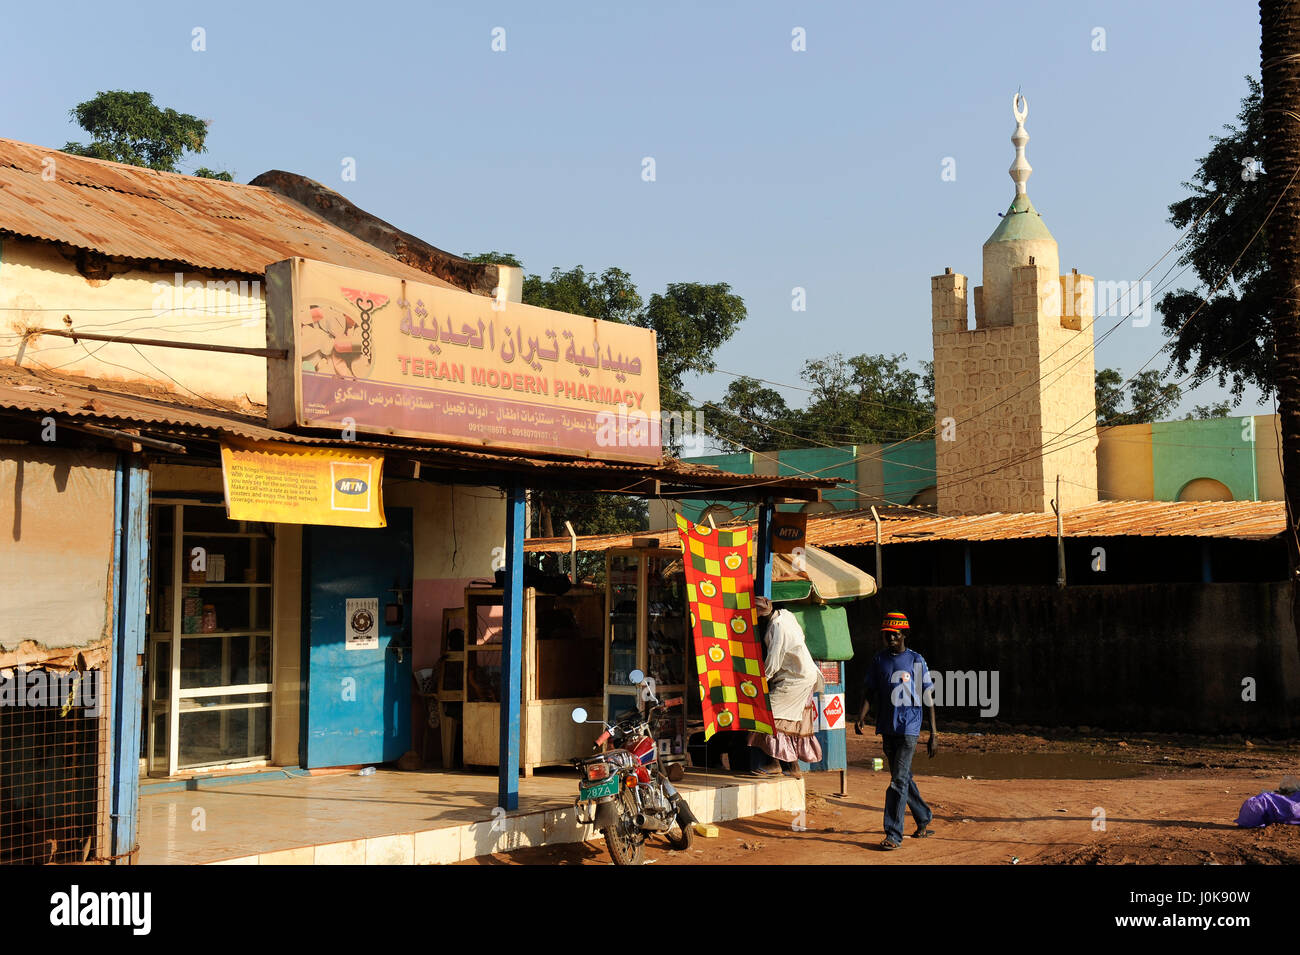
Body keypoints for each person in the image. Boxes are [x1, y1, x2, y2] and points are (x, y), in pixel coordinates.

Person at [854, 611, 938, 850]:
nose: (890, 638)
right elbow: (870, 691)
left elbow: (927, 696)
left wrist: (934, 733)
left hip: (910, 727)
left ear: (904, 635)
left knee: (897, 781)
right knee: (902, 778)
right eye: (886, 634)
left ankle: (893, 834)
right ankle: (923, 817)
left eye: (895, 634)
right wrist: (862, 715)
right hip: (887, 727)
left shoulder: (916, 660)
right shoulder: (879, 660)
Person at [747, 596, 824, 777]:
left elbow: (773, 661)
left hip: (796, 679)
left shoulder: (777, 627)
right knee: (788, 722)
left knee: (767, 716)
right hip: (803, 675)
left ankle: (775, 764)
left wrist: (758, 683)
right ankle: (793, 767)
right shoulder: (786, 615)